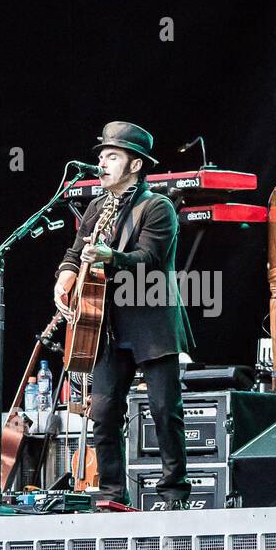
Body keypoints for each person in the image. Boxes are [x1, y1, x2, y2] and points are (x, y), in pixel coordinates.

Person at [53, 121, 192, 508]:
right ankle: (112, 492)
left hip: (150, 322)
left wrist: (110, 256)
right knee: (103, 412)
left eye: (112, 156)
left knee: (166, 410)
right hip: (105, 325)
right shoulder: (97, 207)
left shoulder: (157, 206)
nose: (102, 163)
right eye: (101, 156)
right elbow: (74, 251)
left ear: (135, 165)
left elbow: (149, 260)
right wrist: (64, 278)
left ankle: (173, 492)